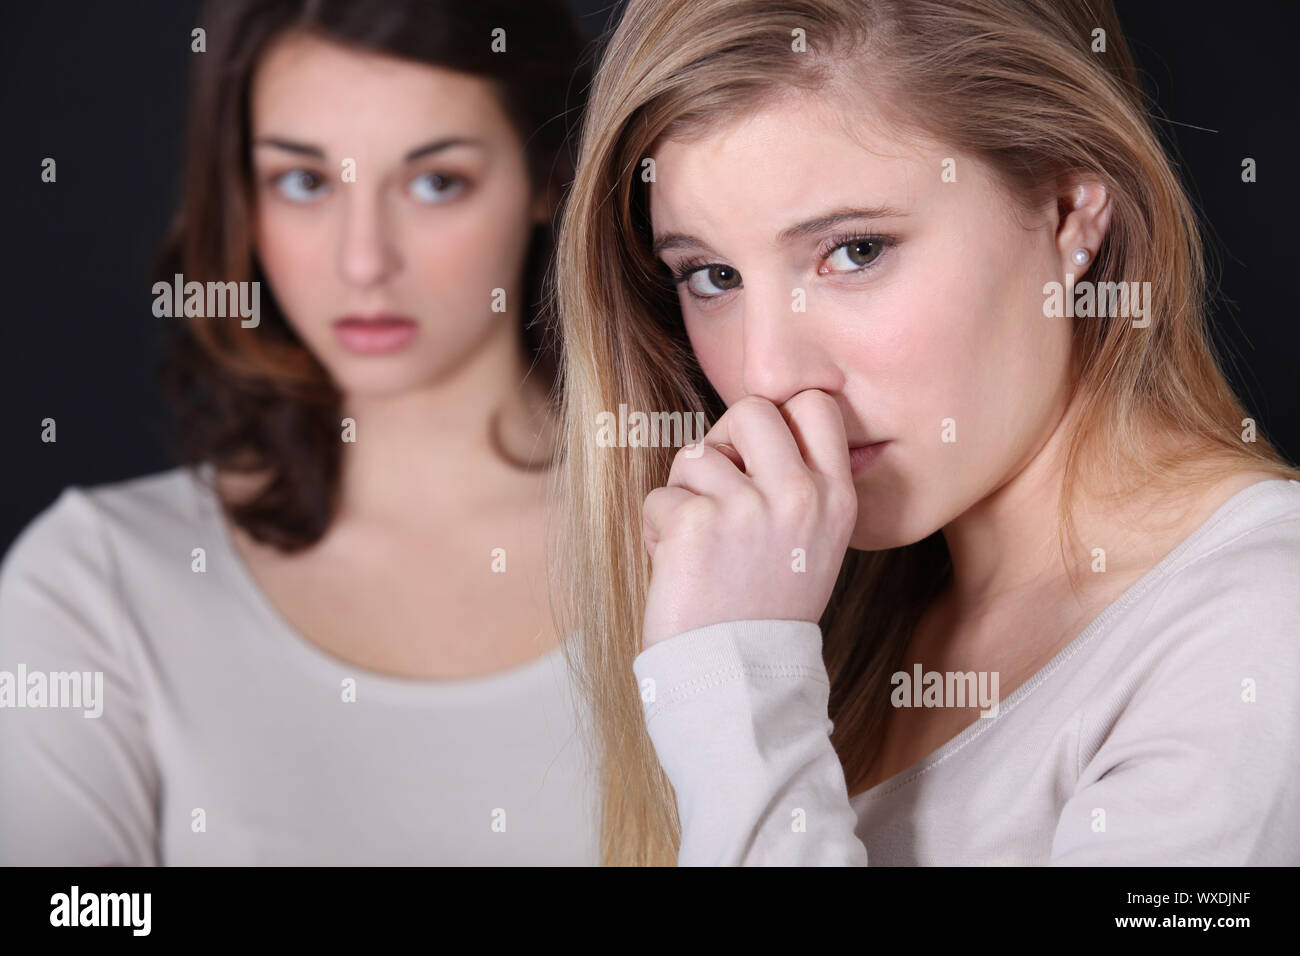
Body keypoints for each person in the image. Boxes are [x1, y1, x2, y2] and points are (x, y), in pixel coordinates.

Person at [552, 0, 1300, 865]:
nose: (767, 375)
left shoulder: (1256, 630)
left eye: (856, 252)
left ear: (1069, 215)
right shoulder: (835, 620)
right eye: (713, 276)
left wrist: (734, 689)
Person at [0, 0, 598, 865]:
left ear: (547, 176)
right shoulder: (95, 586)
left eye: (436, 182)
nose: (363, 260)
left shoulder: (721, 544)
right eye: (305, 181)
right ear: (240, 191)